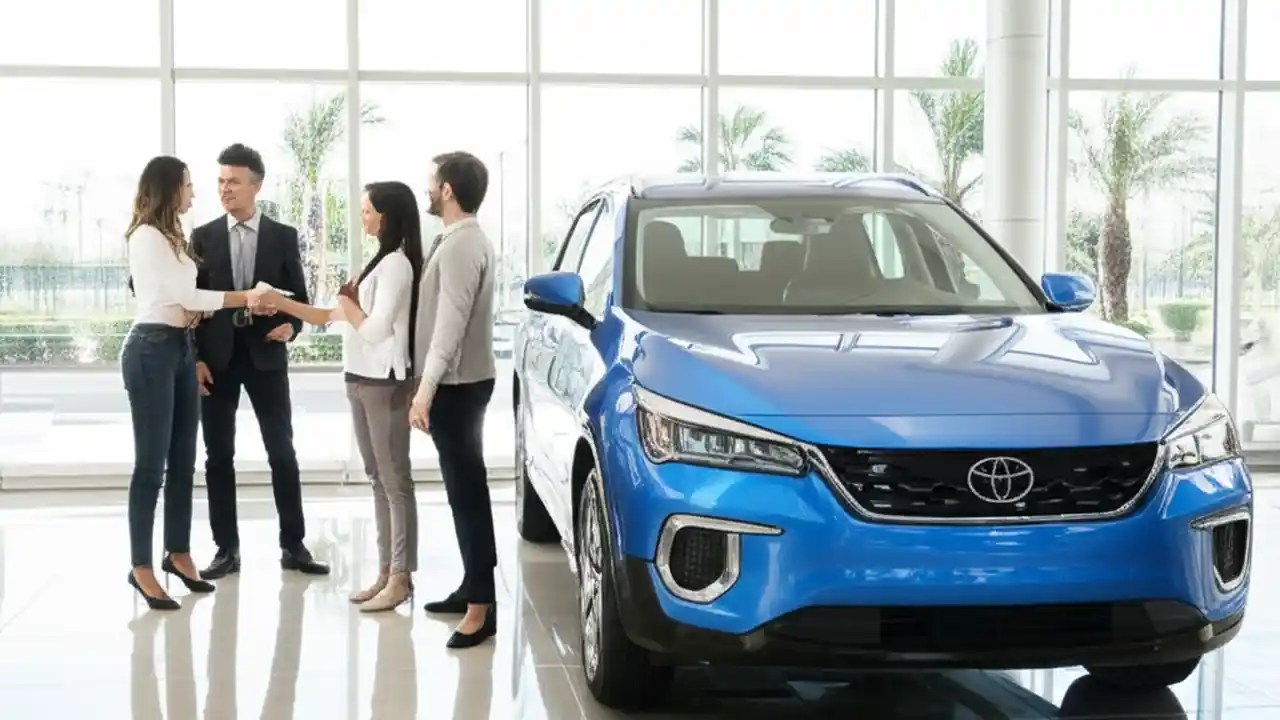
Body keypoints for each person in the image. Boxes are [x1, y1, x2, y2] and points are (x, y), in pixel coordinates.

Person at [257, 182, 425, 612]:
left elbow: (373, 328)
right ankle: (387, 572)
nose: (362, 216)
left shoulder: (397, 266)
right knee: (377, 478)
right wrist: (280, 302)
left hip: (384, 382)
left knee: (394, 483)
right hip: (359, 378)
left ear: (386, 216)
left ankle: (401, 575)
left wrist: (349, 306)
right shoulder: (376, 265)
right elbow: (330, 316)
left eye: (368, 210)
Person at [122, 155, 267, 609]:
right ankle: (141, 567)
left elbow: (182, 297)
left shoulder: (173, 237)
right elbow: (182, 295)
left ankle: (178, 553)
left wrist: (196, 309)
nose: (195, 192)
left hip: (181, 348)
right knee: (151, 466)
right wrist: (245, 296)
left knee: (183, 460)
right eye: (188, 185)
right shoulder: (146, 236)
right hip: (150, 350)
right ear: (169, 188)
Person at [191, 143, 328, 579]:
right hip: (216, 360)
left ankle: (294, 546)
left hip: (267, 355)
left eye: (233, 181)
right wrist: (195, 359)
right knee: (218, 457)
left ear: (257, 185)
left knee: (282, 452)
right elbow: (191, 304)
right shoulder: (203, 237)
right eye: (219, 181)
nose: (224, 189)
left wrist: (293, 327)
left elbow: (301, 300)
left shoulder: (283, 236)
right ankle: (225, 550)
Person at [411, 152, 498, 648]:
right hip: (458, 383)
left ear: (447, 190)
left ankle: (481, 607)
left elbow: (450, 325)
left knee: (467, 495)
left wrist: (425, 392)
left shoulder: (464, 244)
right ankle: (472, 585)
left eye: (431, 182)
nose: (427, 189)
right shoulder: (457, 239)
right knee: (463, 490)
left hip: (458, 386)